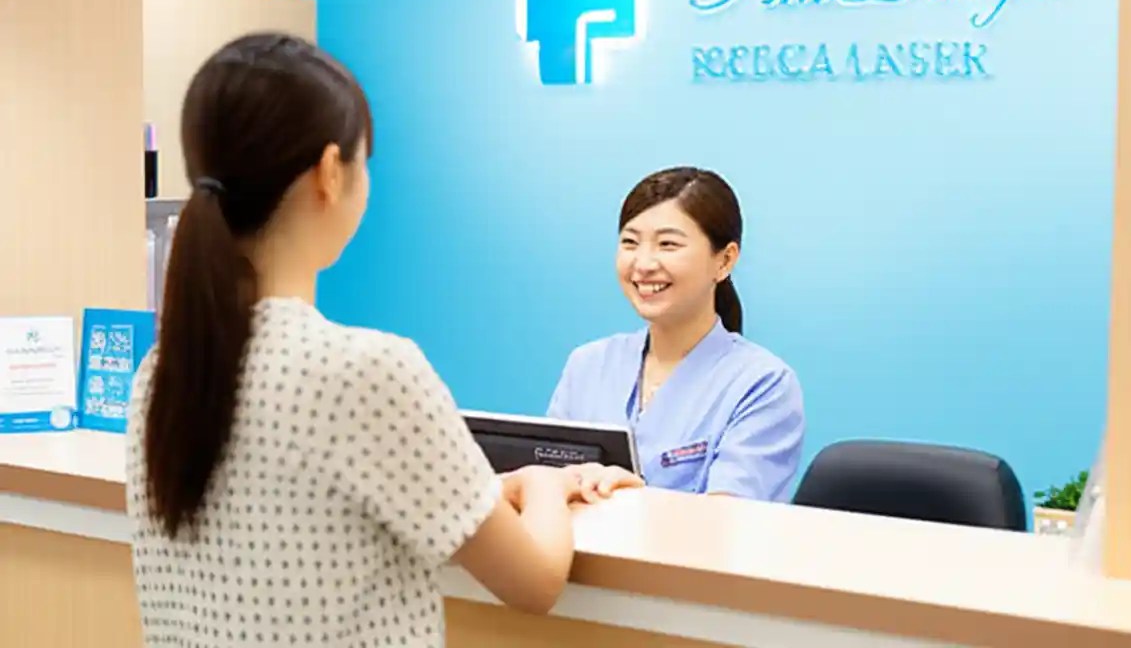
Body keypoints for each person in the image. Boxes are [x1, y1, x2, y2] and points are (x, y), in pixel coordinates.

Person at [125, 33, 583, 647]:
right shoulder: (364, 371)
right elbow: (536, 582)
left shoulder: (160, 374)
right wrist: (550, 484)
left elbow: (301, 509)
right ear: (329, 173)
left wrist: (499, 489)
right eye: (364, 162)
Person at [548, 167, 805, 503]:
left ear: (724, 261)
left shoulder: (763, 385)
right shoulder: (588, 364)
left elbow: (729, 523)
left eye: (668, 244)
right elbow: (543, 486)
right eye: (630, 242)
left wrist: (633, 498)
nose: (642, 264)